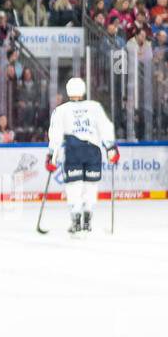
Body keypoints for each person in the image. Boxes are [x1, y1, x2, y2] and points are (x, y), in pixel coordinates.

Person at [47, 77, 118, 236]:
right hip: (93, 151)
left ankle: (76, 219)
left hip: (74, 150)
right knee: (91, 186)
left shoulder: (61, 109)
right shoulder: (95, 106)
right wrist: (111, 148)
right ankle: (87, 219)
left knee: (74, 186)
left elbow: (55, 135)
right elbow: (106, 127)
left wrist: (52, 155)